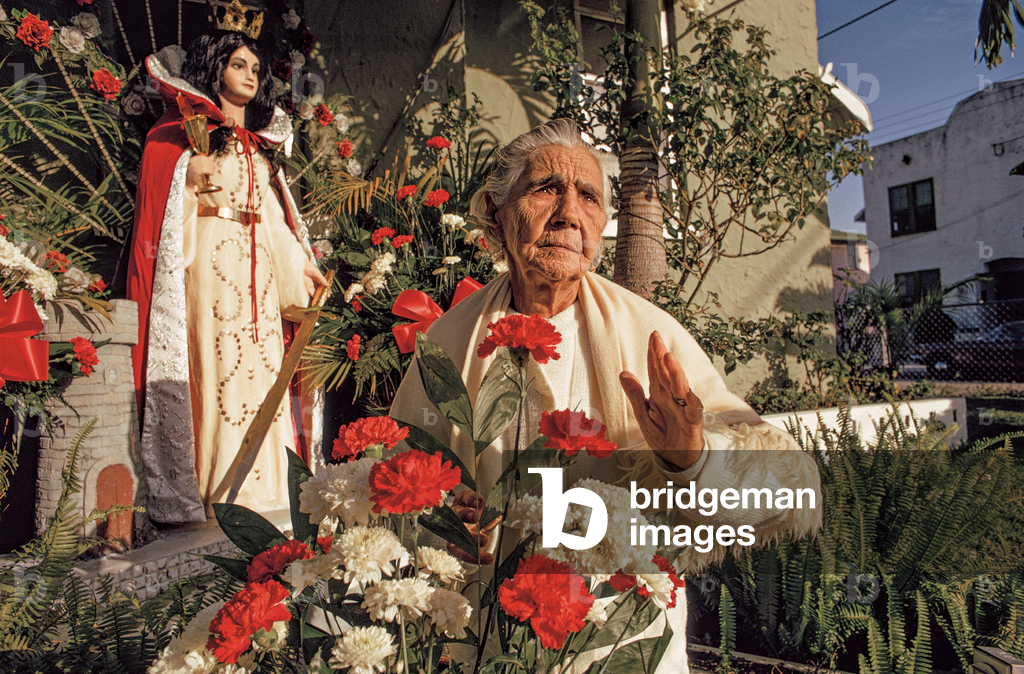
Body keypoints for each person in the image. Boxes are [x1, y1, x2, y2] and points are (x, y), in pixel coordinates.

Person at [389, 119, 821, 673]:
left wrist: (691, 460)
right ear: (497, 214)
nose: (569, 211)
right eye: (546, 188)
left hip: (618, 636)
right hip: (487, 636)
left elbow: (785, 481)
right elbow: (395, 481)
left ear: (602, 224)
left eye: (589, 196)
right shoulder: (448, 341)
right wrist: (442, 520)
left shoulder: (649, 336)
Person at [127, 31, 326, 524]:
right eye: (239, 64)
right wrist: (188, 172)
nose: (251, 74)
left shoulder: (260, 149)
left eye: (256, 68)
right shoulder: (180, 136)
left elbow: (274, 219)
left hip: (257, 275)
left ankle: (270, 487)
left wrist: (299, 268)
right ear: (215, 69)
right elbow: (166, 203)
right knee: (219, 373)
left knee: (262, 370)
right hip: (211, 269)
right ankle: (221, 490)